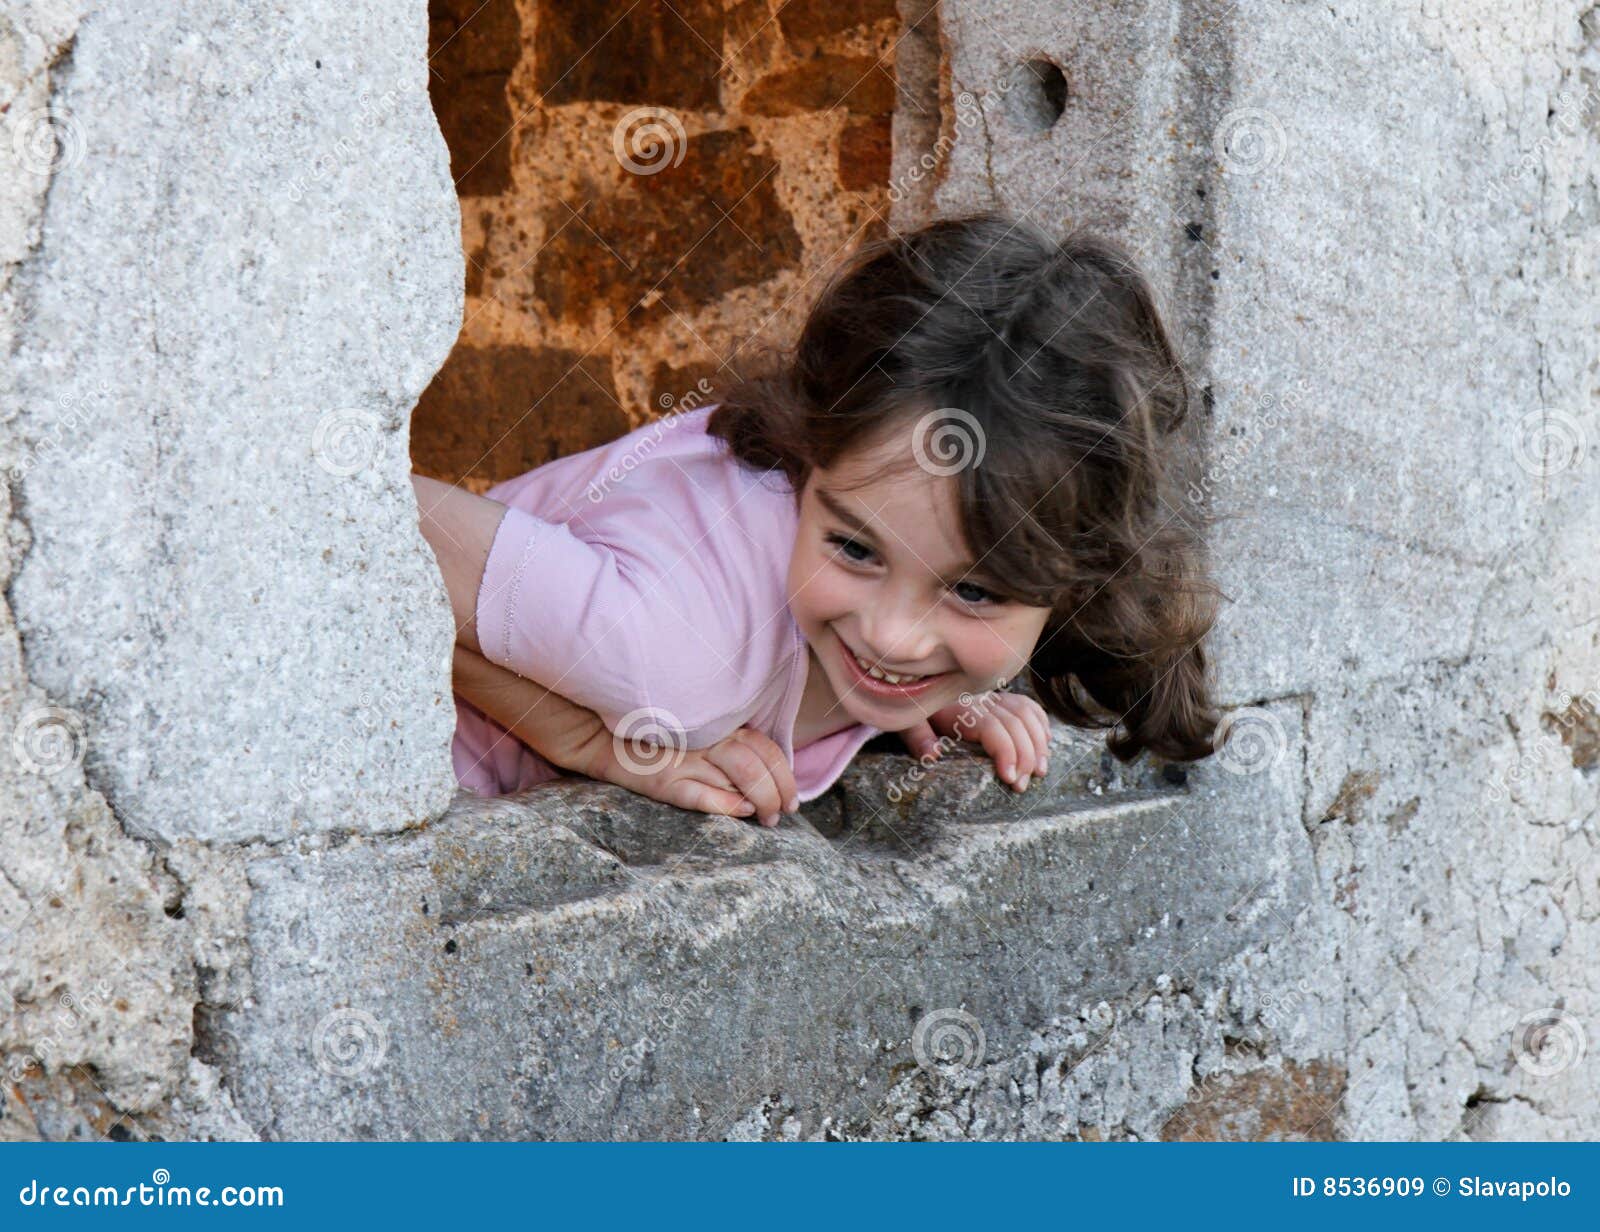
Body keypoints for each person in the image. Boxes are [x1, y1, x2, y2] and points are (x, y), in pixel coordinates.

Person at [415, 212, 1220, 827]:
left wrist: (920, 694)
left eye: (974, 591)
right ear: (804, 457)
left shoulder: (859, 561)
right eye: (854, 548)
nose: (894, 637)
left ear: (1080, 577)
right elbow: (374, 529)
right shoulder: (675, 660)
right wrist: (581, 738)